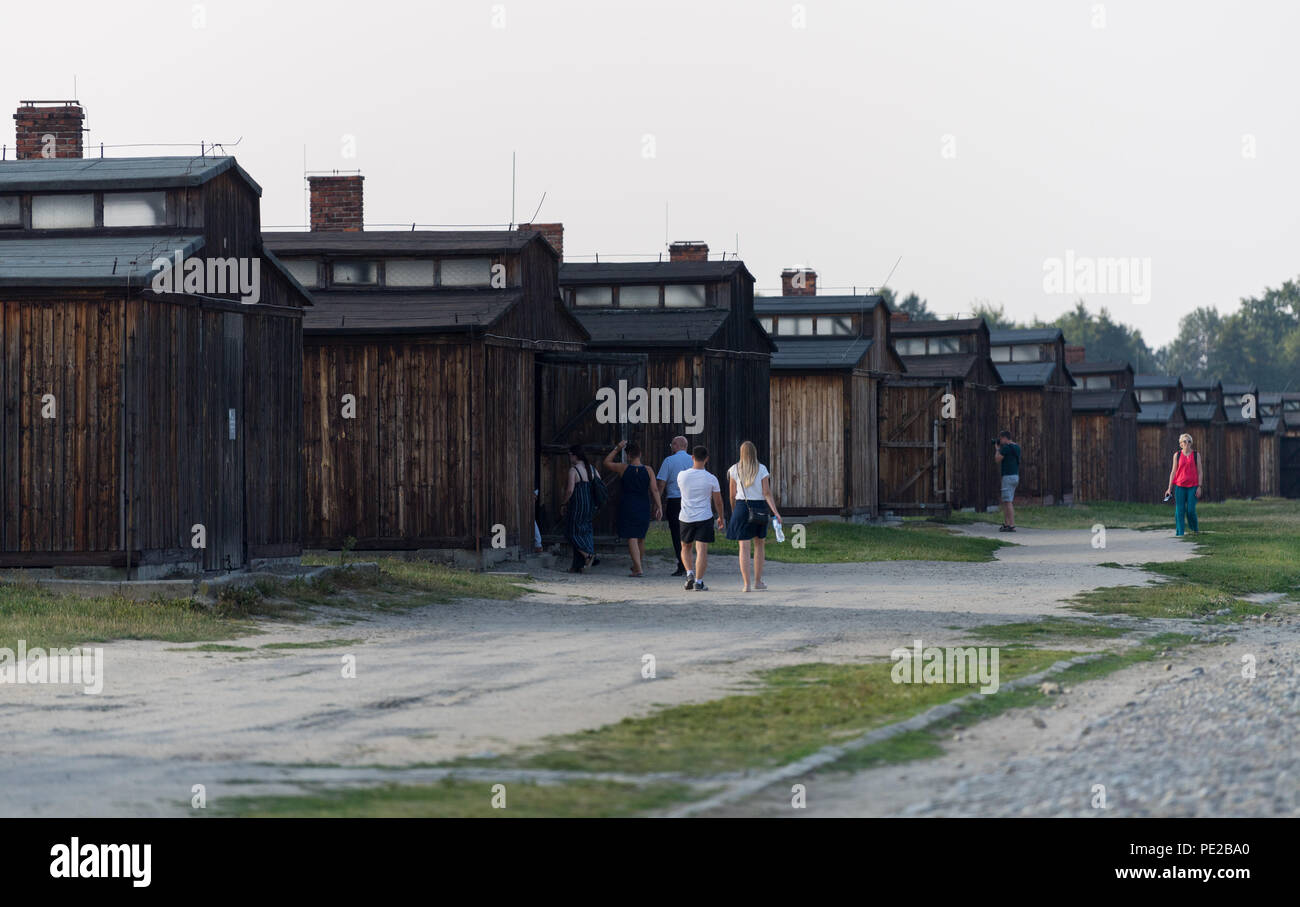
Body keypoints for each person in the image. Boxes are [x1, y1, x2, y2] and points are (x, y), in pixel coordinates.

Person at [725, 441, 783, 593]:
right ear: (754, 452)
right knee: (759, 545)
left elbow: (731, 495)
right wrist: (775, 512)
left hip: (741, 507)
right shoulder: (762, 468)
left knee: (743, 547)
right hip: (759, 508)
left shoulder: (734, 469)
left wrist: (734, 511)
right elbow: (767, 493)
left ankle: (746, 584)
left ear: (741, 453)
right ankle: (758, 581)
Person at [603, 440, 663, 576]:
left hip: (628, 505)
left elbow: (606, 462)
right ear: (640, 454)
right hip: (643, 505)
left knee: (632, 537)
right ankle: (637, 566)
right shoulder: (648, 470)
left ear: (628, 456)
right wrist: (659, 507)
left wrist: (617, 448)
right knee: (640, 537)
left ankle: (638, 568)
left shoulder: (623, 468)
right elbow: (654, 490)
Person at [675, 445, 725, 592]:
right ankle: (699, 581)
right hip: (704, 516)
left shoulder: (682, 476)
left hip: (686, 516)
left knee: (685, 547)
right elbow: (718, 501)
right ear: (707, 459)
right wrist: (721, 517)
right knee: (702, 550)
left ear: (692, 457)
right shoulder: (711, 478)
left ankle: (689, 573)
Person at [656, 435, 695, 576]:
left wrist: (658, 502)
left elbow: (661, 483)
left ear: (678, 445)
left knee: (676, 533)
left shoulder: (669, 461)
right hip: (691, 500)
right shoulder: (693, 460)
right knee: (690, 532)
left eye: (672, 444)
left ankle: (682, 563)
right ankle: (689, 561)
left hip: (674, 500)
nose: (671, 446)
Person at [561, 445, 600, 573]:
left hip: (577, 506)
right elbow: (599, 484)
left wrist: (563, 503)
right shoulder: (592, 469)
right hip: (590, 506)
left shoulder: (574, 470)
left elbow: (570, 490)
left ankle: (588, 555)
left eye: (570, 454)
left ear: (575, 455)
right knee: (585, 532)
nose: (569, 457)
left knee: (570, 532)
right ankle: (576, 566)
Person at [1165, 433, 1201, 537]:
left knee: (1190, 510)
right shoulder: (1177, 455)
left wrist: (1199, 486)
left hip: (1193, 486)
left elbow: (1200, 472)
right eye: (1184, 441)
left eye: (1189, 441)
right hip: (1180, 486)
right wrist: (1169, 488)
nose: (1187, 443)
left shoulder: (1196, 455)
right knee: (1179, 510)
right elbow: (1173, 472)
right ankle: (1180, 533)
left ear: (1191, 443)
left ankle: (1195, 529)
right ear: (1181, 444)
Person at [994, 430, 1021, 532]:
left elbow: (997, 459)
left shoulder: (1006, 448)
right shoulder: (1017, 447)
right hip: (1015, 476)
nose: (1000, 441)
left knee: (1008, 501)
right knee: (1006, 501)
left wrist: (997, 449)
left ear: (1005, 438)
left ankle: (1011, 525)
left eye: (1000, 438)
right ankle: (1007, 524)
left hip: (1008, 477)